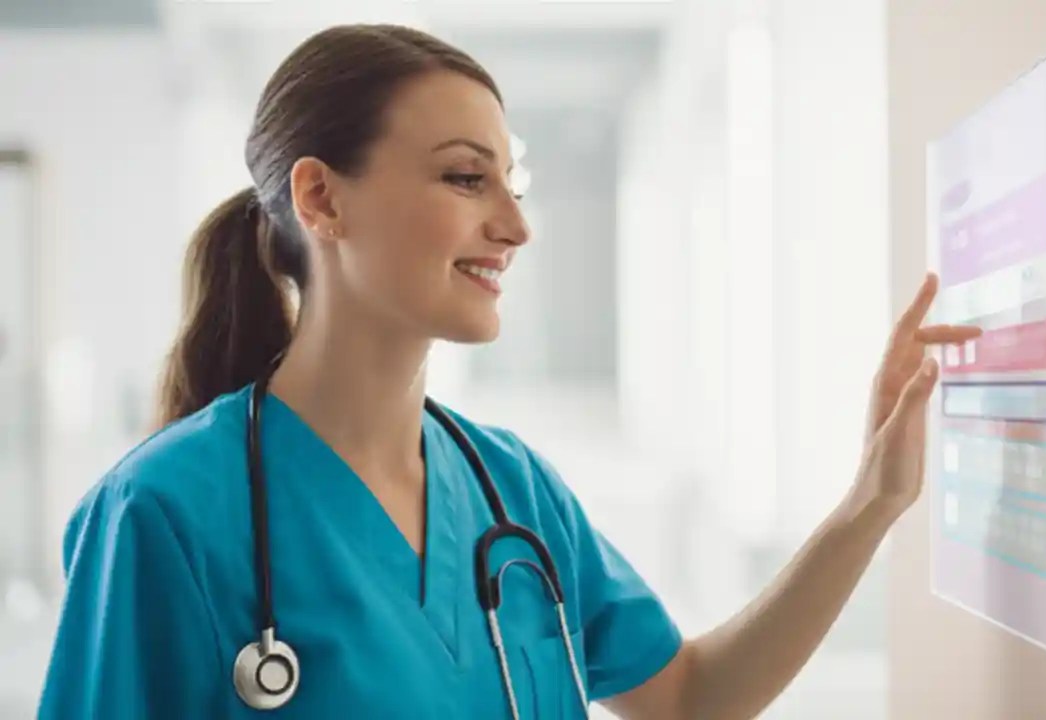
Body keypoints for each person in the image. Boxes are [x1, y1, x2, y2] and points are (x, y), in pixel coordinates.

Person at [36, 23, 979, 720]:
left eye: (513, 185)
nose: (516, 227)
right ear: (321, 198)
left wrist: (871, 504)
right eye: (465, 178)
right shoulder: (163, 513)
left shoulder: (511, 490)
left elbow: (689, 697)